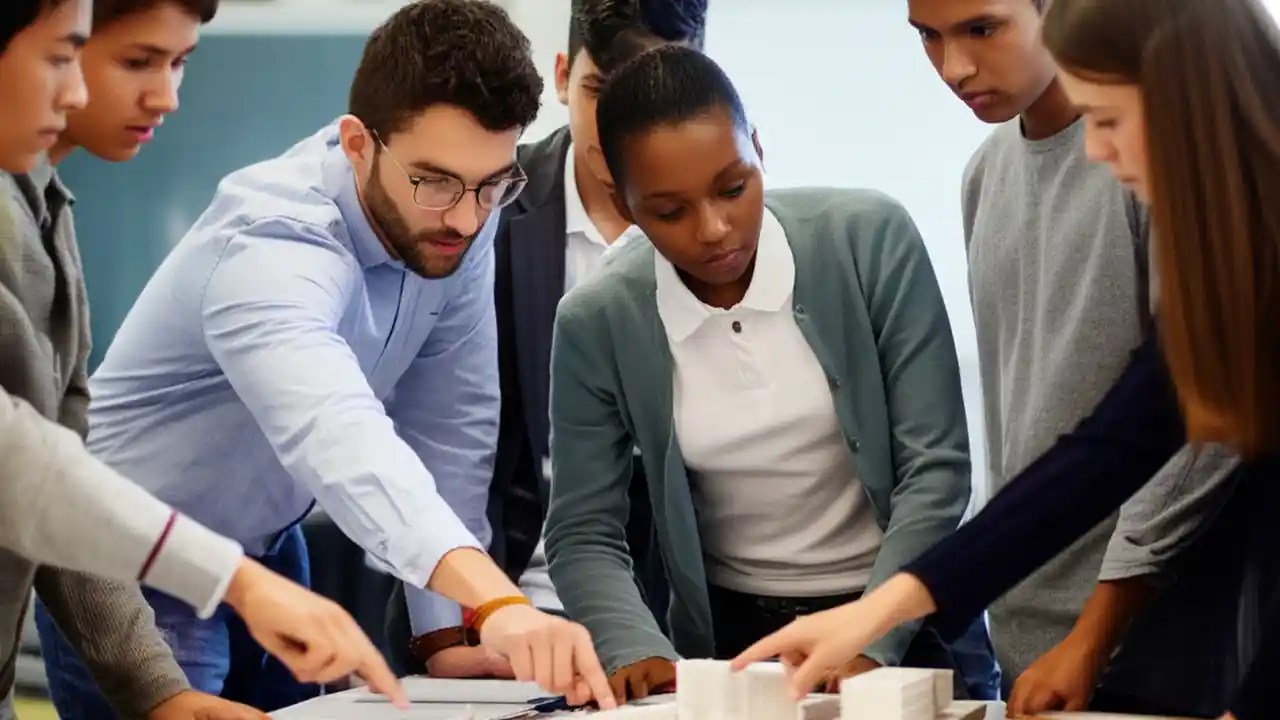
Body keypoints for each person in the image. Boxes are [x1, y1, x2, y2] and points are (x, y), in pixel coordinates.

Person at [36, 0, 616, 713]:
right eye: (434, 182)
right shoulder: (273, 240)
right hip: (136, 566)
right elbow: (340, 435)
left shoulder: (461, 213)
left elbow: (449, 426)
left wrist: (448, 631)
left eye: (492, 185)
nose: (466, 217)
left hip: (270, 552)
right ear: (357, 144)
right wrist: (499, 600)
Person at [733, 2, 1280, 719]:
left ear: (1191, 106)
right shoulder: (1235, 282)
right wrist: (883, 608)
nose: (1093, 150)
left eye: (1109, 120)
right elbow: (1104, 451)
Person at [545, 43, 998, 704]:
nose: (715, 228)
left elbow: (938, 471)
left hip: (908, 623)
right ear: (623, 199)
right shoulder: (597, 320)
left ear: (758, 147)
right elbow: (583, 528)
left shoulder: (869, 240)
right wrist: (633, 646)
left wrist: (870, 639)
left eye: (734, 186)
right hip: (731, 647)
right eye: (669, 211)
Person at [0, 2, 405, 718]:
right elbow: (22, 464)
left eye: (180, 62)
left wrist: (157, 692)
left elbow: (55, 490)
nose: (168, 96)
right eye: (67, 55)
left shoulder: (44, 209)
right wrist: (235, 580)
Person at [906, 0, 1241, 711]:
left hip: (1163, 632)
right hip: (1029, 637)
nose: (953, 67)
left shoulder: (1155, 160)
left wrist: (1094, 631)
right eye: (928, 37)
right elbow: (1061, 429)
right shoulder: (982, 177)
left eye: (980, 29)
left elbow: (1195, 434)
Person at [383, 0, 707, 678]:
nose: (620, 125)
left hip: (672, 629)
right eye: (600, 92)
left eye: (646, 96)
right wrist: (453, 633)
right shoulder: (478, 205)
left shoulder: (720, 228)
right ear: (562, 76)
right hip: (493, 619)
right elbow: (435, 439)